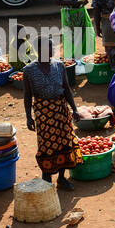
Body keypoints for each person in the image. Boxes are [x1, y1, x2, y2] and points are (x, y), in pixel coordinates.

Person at [22, 41, 82, 191]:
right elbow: (27, 96)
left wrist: (74, 109)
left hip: (61, 110)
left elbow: (67, 89)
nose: (48, 54)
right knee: (46, 145)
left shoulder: (59, 65)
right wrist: (29, 117)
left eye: (51, 50)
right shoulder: (29, 70)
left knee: (64, 142)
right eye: (45, 51)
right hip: (43, 112)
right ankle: (47, 177)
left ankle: (62, 178)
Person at [51, 0, 92, 67]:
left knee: (82, 34)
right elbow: (56, 1)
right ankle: (72, 58)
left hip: (80, 11)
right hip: (68, 13)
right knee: (71, 35)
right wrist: (73, 4)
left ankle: (81, 57)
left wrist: (83, 1)